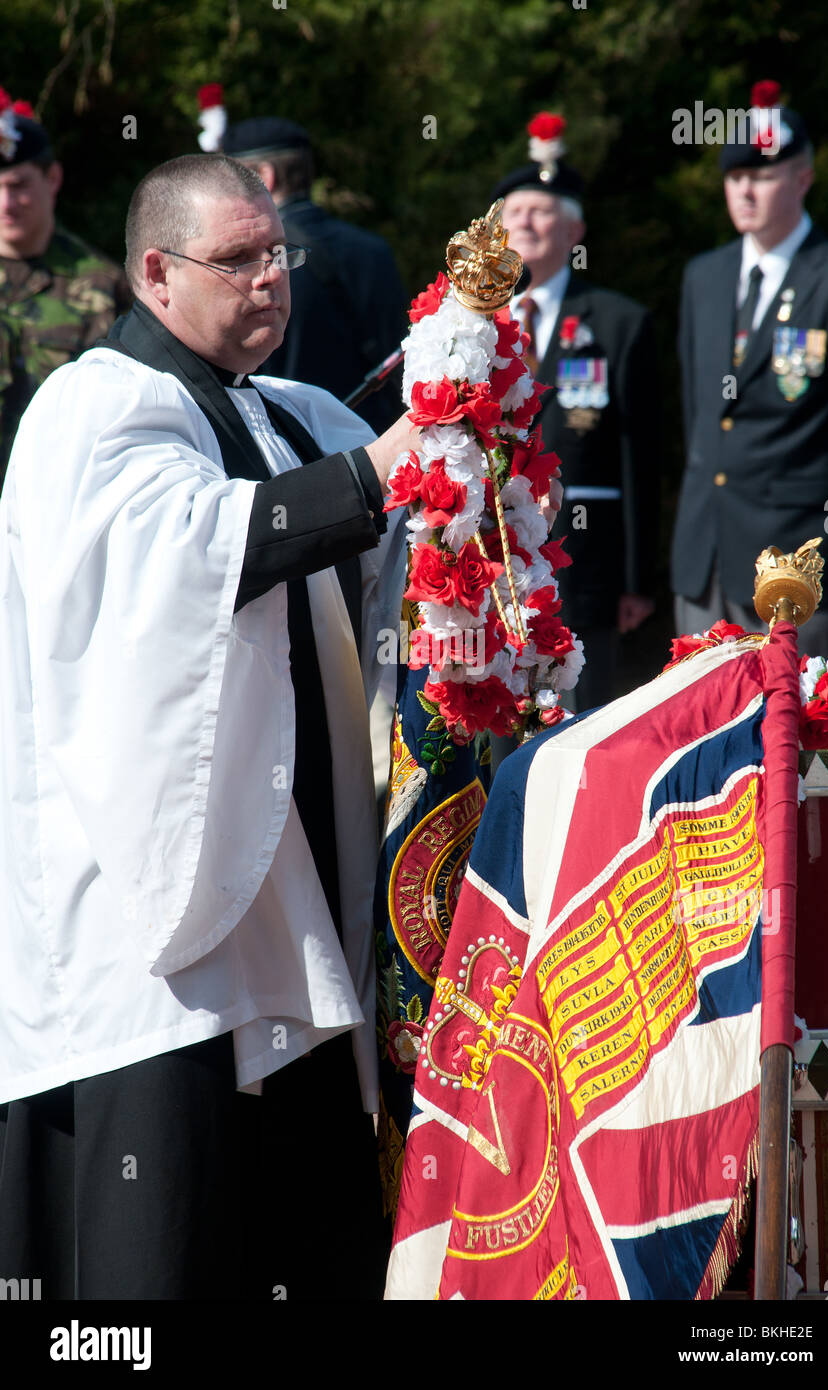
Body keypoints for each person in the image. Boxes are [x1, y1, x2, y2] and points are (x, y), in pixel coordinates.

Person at [0, 152, 416, 1300]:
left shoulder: (284, 409)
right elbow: (189, 549)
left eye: (277, 254)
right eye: (237, 260)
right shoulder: (96, 402)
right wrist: (381, 476)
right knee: (164, 1245)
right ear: (154, 272)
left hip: (286, 890)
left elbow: (387, 516)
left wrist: (463, 420)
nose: (270, 280)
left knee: (289, 1226)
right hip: (152, 926)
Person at [671, 80, 828, 665]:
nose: (745, 190)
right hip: (705, 561)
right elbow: (700, 417)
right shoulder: (704, 277)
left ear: (802, 178)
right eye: (734, 177)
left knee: (803, 746)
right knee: (703, 743)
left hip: (803, 562)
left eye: (762, 176)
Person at [495, 113, 660, 712]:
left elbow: (640, 455)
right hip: (492, 553)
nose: (526, 223)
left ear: (574, 229)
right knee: (497, 714)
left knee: (582, 714)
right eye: (514, 212)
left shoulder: (619, 323)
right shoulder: (473, 324)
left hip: (586, 561)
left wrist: (638, 578)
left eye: (542, 211)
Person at [222, 116, 406, 434]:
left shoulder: (247, 263)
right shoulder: (373, 250)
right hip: (376, 445)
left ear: (262, 177)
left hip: (292, 449)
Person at [0, 89, 130, 486]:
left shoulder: (104, 284)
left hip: (60, 497)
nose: (6, 203)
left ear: (52, 178)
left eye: (19, 184)